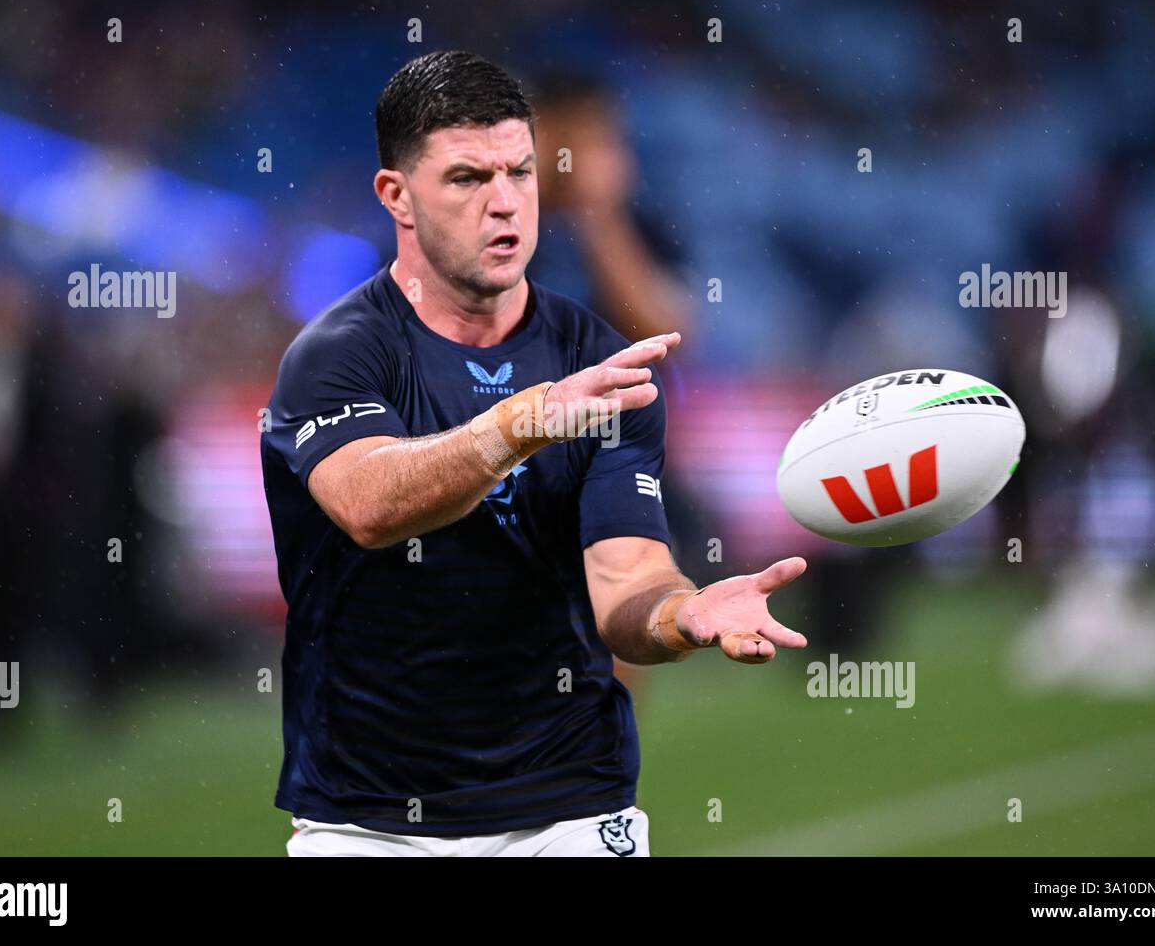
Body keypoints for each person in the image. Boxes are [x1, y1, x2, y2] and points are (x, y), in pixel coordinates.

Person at [261, 50, 808, 857]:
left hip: (571, 814)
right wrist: (528, 420)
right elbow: (370, 506)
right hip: (369, 821)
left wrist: (680, 612)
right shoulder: (339, 354)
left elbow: (627, 587)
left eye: (519, 172)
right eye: (466, 179)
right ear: (396, 197)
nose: (504, 203)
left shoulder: (604, 361)